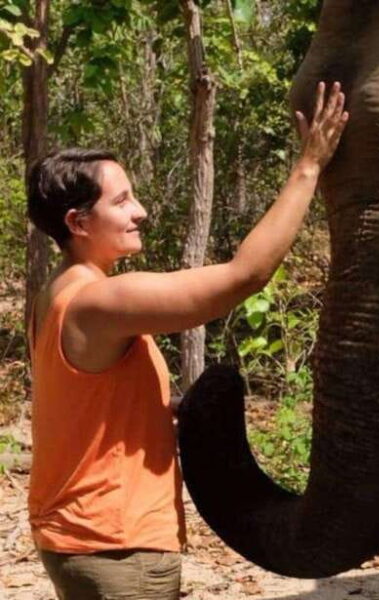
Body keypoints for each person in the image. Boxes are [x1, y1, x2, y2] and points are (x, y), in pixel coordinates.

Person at [25, 81, 348, 600]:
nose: (141, 211)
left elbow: (82, 405)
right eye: (123, 200)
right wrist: (308, 166)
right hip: (116, 545)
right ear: (78, 222)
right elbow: (245, 276)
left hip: (80, 535)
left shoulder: (55, 294)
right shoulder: (97, 302)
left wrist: (155, 412)